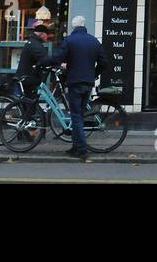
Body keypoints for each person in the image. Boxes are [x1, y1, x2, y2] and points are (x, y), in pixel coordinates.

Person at [42, 15, 108, 159]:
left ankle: (82, 149)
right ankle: (75, 146)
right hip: (88, 84)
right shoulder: (94, 41)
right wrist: (95, 74)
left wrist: (44, 62)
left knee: (76, 116)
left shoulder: (70, 40)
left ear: (73, 27)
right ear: (84, 25)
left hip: (75, 83)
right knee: (79, 116)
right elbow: (104, 62)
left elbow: (58, 58)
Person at [13, 23, 52, 97]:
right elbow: (44, 58)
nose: (47, 38)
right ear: (42, 34)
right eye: (47, 36)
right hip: (29, 78)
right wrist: (58, 63)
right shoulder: (35, 44)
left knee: (29, 102)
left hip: (27, 76)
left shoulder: (33, 41)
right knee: (30, 102)